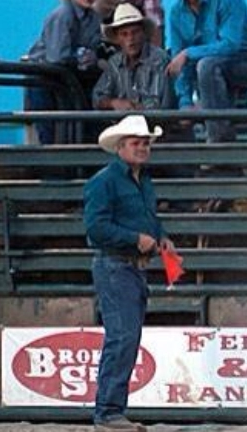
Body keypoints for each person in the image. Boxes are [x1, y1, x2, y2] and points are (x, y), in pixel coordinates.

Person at [84, 115, 174, 431]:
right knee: (123, 337)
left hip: (128, 267)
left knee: (124, 337)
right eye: (136, 143)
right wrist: (136, 239)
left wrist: (159, 236)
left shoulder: (140, 181)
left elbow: (146, 218)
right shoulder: (105, 181)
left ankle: (110, 410)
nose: (142, 147)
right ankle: (108, 412)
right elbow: (95, 228)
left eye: (145, 143)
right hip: (116, 264)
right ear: (120, 147)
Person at [162, 0, 247, 143]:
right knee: (178, 65)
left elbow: (231, 45)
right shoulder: (176, 13)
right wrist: (184, 102)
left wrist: (188, 53)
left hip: (244, 59)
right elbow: (177, 59)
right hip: (208, 72)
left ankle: (218, 141)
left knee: (205, 65)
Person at [24, 0, 106, 144]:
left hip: (67, 76)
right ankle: (51, 166)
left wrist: (89, 58)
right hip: (43, 76)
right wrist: (82, 58)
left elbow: (91, 49)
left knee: (73, 124)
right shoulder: (62, 15)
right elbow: (56, 56)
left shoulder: (93, 18)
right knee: (48, 129)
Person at [93, 3, 176, 111]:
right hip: (122, 125)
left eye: (135, 32)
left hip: (155, 125)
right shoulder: (114, 63)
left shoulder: (160, 60)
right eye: (124, 34)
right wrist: (113, 103)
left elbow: (163, 105)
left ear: (143, 33)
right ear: (117, 38)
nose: (130, 39)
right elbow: (97, 97)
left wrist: (133, 109)